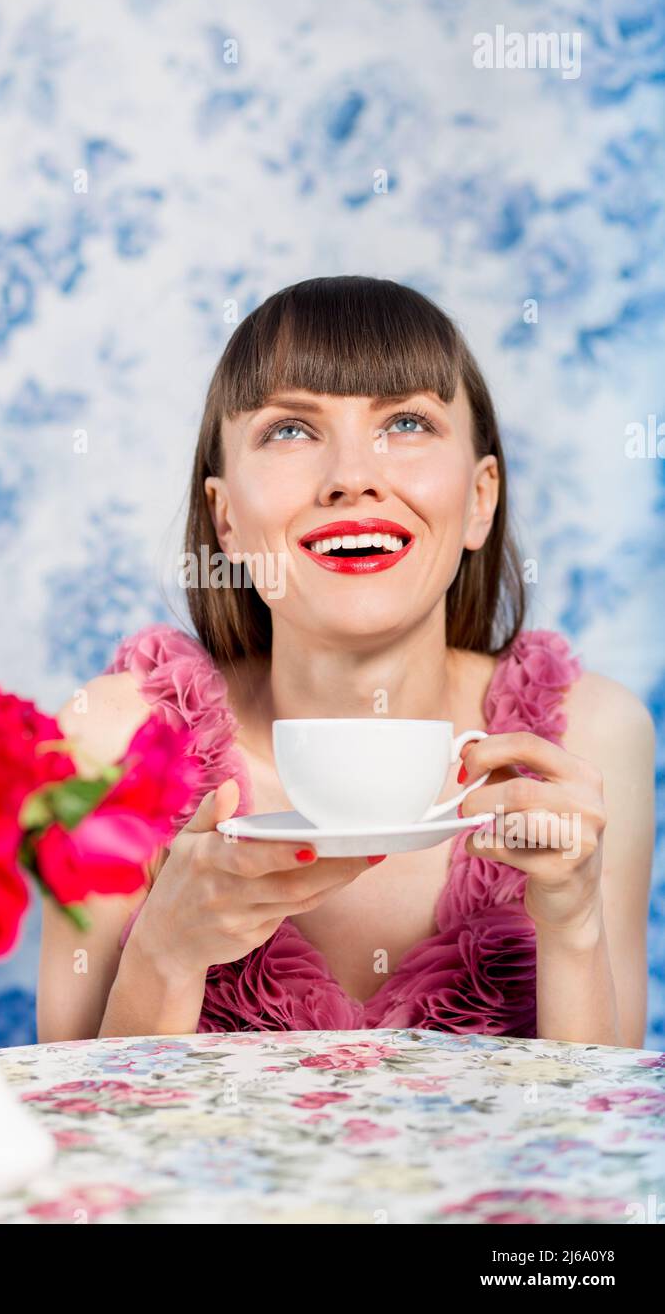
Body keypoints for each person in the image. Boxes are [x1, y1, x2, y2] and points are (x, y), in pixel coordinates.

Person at [37, 276, 654, 1047]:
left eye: (406, 420)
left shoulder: (592, 737)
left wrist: (574, 929)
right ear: (226, 519)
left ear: (480, 499)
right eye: (291, 430)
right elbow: (78, 1125)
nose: (351, 478)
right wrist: (167, 950)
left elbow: (599, 1136)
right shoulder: (113, 742)